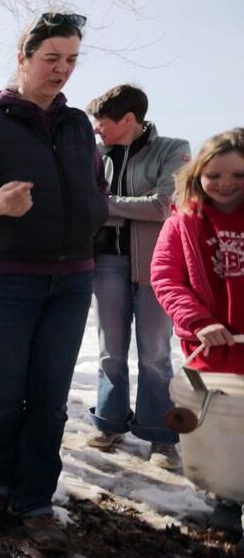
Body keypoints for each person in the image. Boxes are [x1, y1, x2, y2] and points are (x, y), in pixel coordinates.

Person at [0, 12, 109, 551]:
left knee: (49, 397)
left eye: (71, 60)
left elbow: (95, 185)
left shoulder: (78, 125)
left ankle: (36, 498)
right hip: (5, 278)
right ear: (23, 58)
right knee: (4, 392)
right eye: (51, 59)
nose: (62, 70)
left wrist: (94, 212)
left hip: (71, 281)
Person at [84, 84, 191, 469]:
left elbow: (165, 205)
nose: (97, 129)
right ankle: (109, 423)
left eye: (103, 122)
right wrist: (116, 208)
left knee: (155, 352)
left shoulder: (173, 149)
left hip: (156, 267)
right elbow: (86, 204)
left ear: (129, 120)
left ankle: (161, 436)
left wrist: (105, 204)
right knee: (110, 350)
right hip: (107, 262)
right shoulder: (96, 156)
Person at [151, 128, 244, 555]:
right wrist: (198, 320)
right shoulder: (182, 223)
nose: (226, 184)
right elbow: (166, 278)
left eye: (238, 175)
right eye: (215, 175)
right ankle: (226, 500)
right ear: (198, 175)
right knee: (224, 427)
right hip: (212, 350)